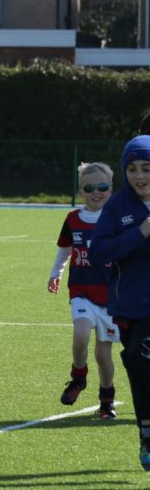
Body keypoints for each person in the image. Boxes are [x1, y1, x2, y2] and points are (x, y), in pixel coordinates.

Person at [90, 136, 150, 470]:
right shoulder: (118, 206)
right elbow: (99, 253)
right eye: (132, 169)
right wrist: (140, 233)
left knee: (137, 357)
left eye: (146, 168)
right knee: (140, 367)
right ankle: (146, 432)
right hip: (131, 305)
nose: (139, 176)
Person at [48, 162, 118, 418]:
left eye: (103, 187)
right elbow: (65, 250)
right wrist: (56, 274)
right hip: (82, 291)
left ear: (111, 189)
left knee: (103, 353)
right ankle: (78, 377)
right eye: (90, 187)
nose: (96, 191)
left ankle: (106, 399)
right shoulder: (73, 219)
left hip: (110, 296)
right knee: (80, 334)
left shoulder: (116, 219)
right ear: (81, 191)